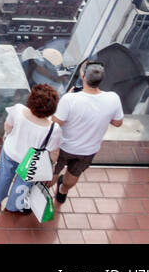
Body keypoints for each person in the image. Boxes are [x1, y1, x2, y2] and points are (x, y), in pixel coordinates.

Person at [50, 61, 124, 207]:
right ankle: (62, 192)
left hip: (63, 147)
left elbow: (56, 122)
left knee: (52, 173)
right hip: (88, 150)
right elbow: (117, 122)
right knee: (73, 175)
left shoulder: (70, 99)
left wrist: (66, 98)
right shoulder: (113, 98)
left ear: (82, 77)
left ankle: (40, 195)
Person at [0, 83, 61, 213]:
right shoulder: (53, 128)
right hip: (31, 161)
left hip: (11, 151)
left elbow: (8, 126)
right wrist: (52, 165)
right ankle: (13, 206)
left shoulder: (18, 110)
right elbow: (53, 152)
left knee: (3, 176)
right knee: (23, 184)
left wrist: (6, 136)